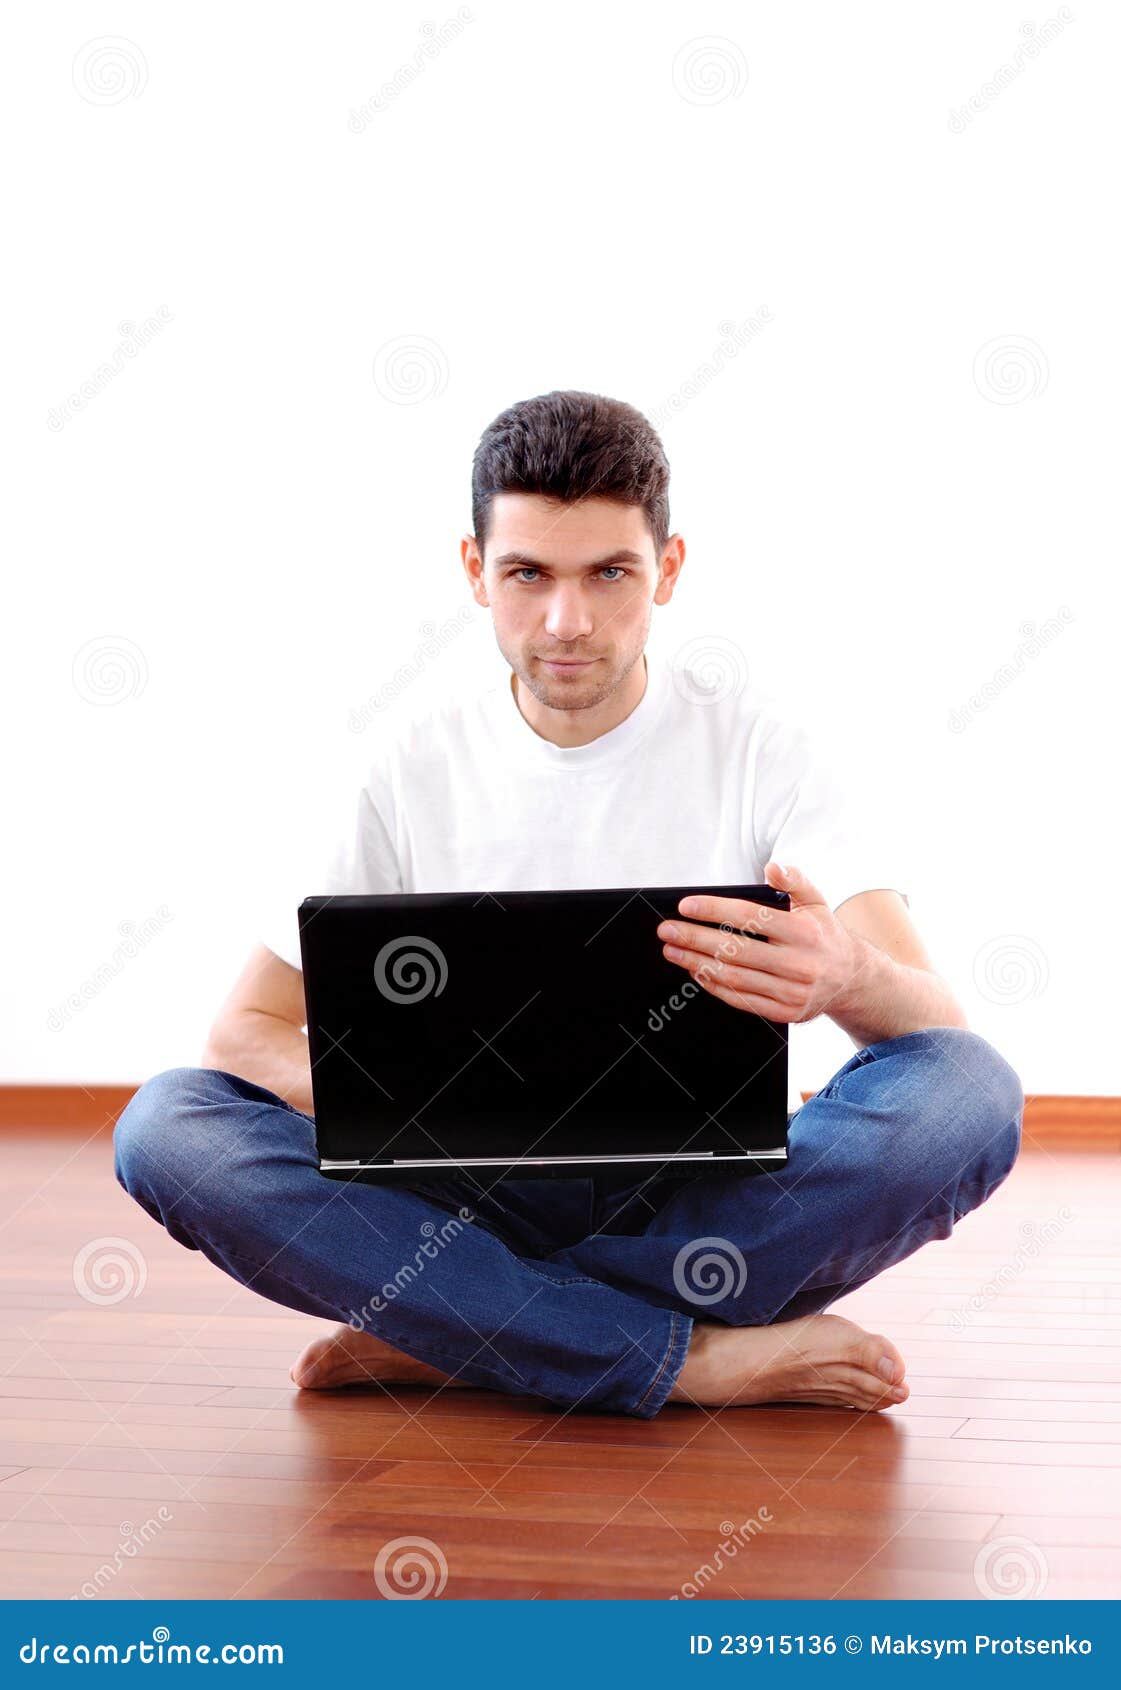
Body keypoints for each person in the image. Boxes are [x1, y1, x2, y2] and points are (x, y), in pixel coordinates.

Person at [113, 390, 1023, 1421]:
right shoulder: (404, 767)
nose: (566, 621)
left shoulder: (764, 748)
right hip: (464, 1195)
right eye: (527, 575)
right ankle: (682, 1357)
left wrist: (846, 979)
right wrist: (422, 1109)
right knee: (165, 1126)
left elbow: (935, 1035)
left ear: (666, 570)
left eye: (608, 574)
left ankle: (470, 1333)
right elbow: (244, 1032)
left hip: (693, 1199)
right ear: (474, 571)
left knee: (968, 1093)